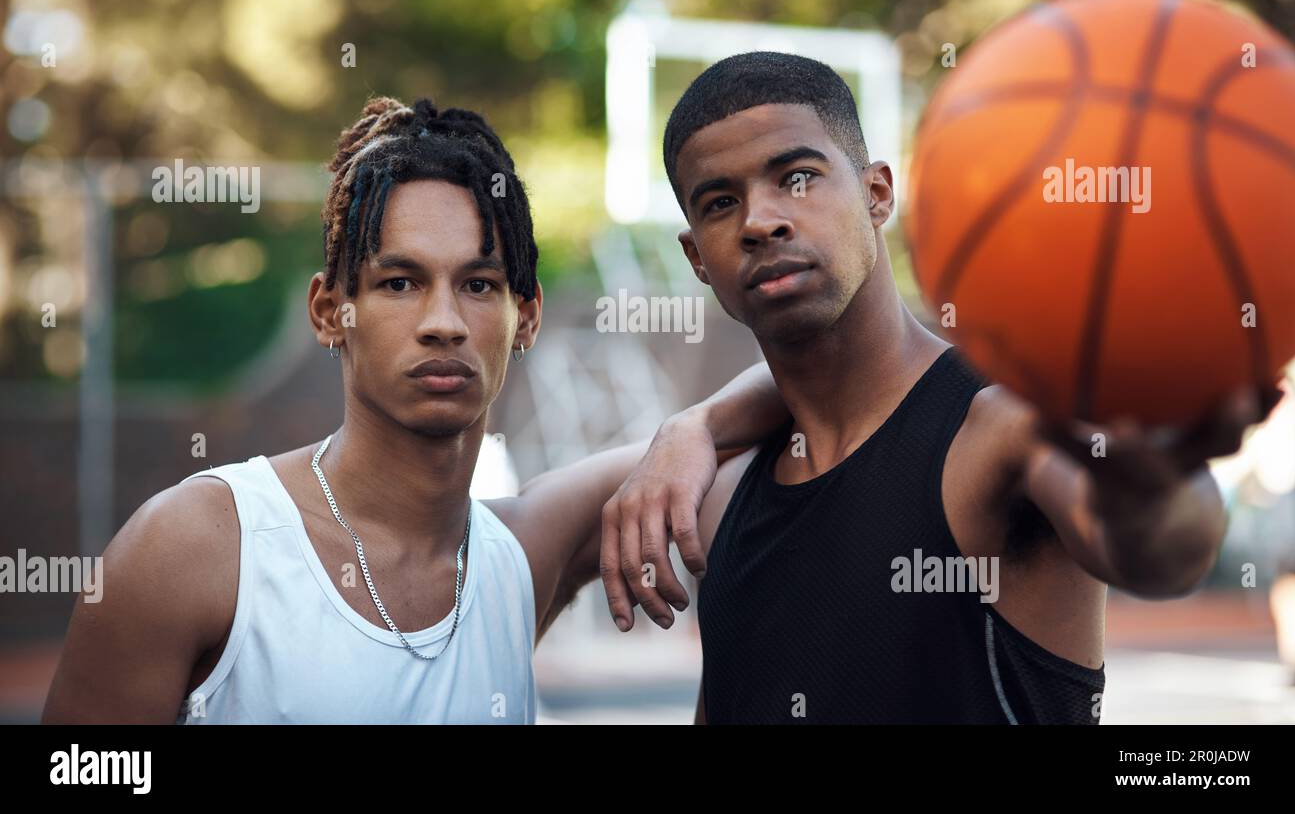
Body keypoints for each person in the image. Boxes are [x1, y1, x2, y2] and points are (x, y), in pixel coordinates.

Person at [41, 97, 782, 725]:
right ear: (331, 312)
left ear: (526, 319)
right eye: (399, 283)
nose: (443, 322)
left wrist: (697, 427)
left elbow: (813, 386)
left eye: (480, 285)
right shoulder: (196, 548)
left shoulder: (524, 552)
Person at [600, 51, 1280, 724]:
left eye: (798, 178)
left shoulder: (1000, 427)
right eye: (721, 202)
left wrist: (1159, 482)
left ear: (877, 195)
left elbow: (1163, 554)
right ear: (695, 257)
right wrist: (694, 426)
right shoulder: (712, 494)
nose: (760, 220)